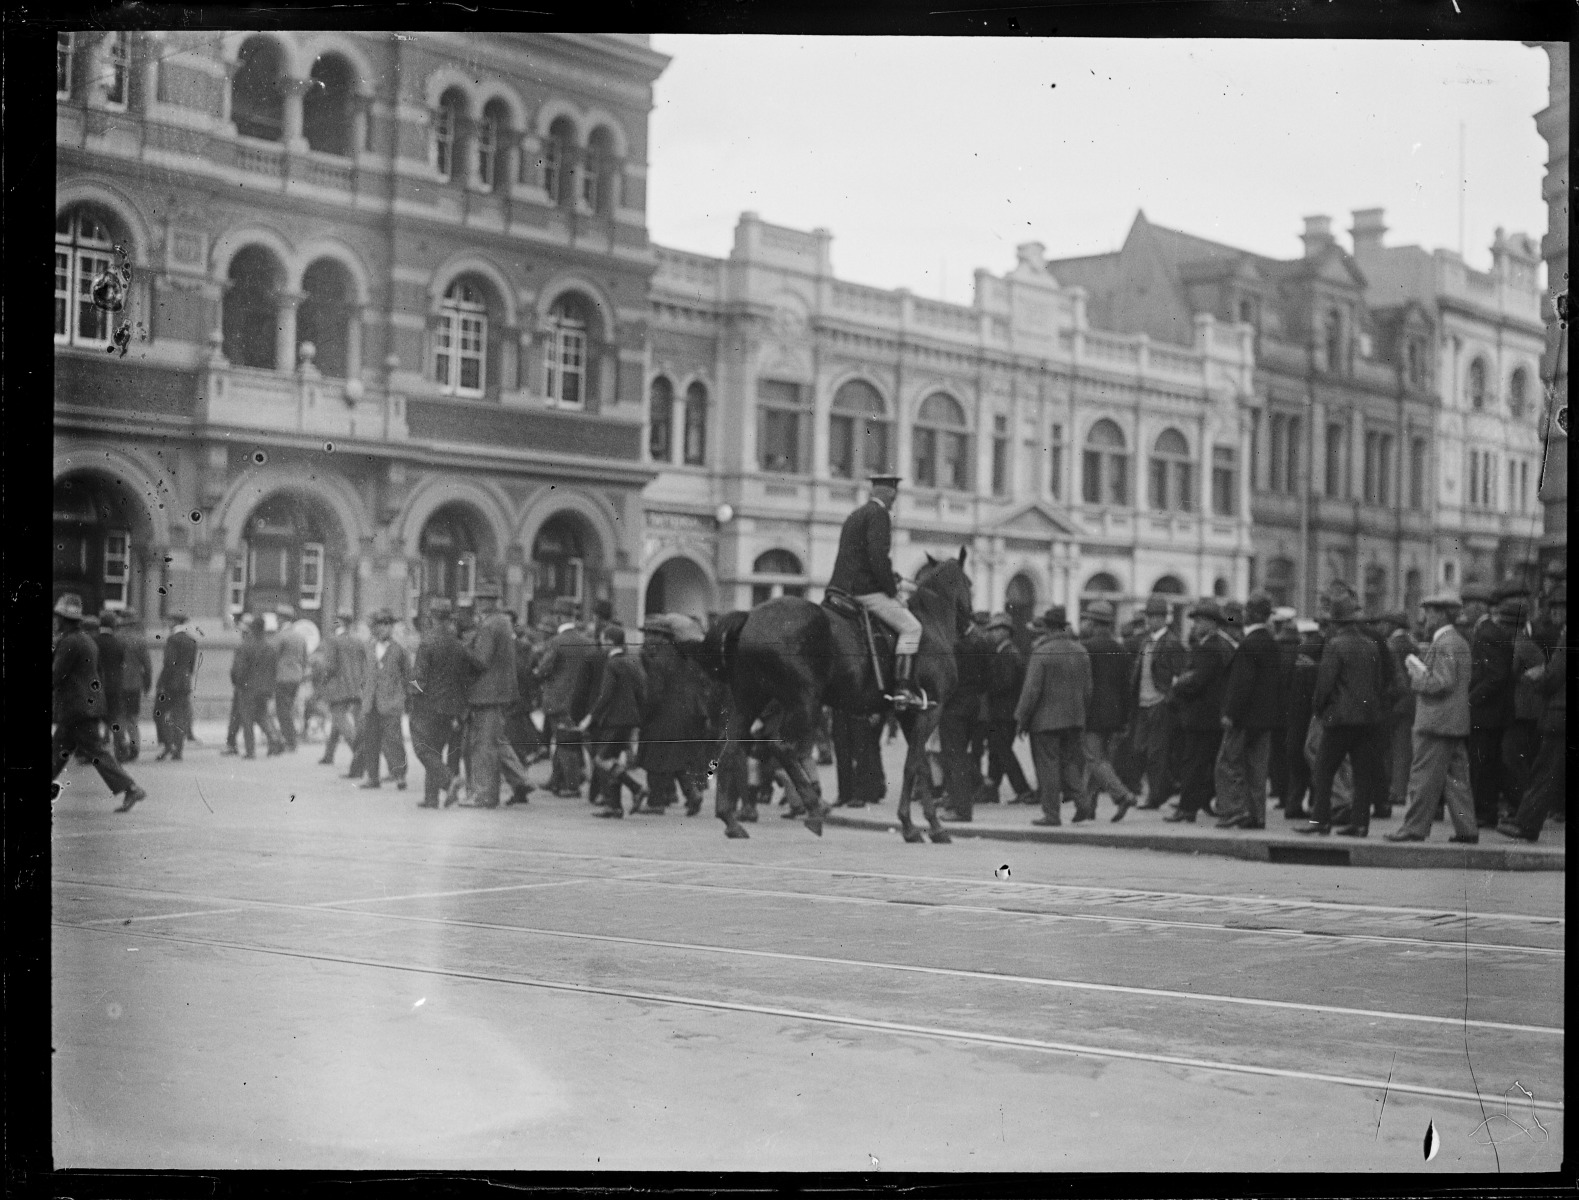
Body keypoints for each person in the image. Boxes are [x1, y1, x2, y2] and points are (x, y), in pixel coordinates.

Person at [1385, 594, 1479, 843]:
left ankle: (1414, 828)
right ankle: (1467, 829)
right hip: (1453, 722)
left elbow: (1442, 682)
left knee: (1423, 778)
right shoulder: (1457, 641)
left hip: (1436, 723)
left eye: (1428, 612)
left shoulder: (1445, 643)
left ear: (1440, 614)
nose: (1425, 618)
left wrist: (1417, 678)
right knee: (1457, 781)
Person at [827, 474, 926, 710]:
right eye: (895, 495)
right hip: (864, 591)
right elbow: (877, 558)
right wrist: (892, 590)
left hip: (840, 587)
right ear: (889, 493)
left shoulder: (856, 514)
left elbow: (860, 558)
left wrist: (891, 577)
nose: (895, 501)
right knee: (913, 628)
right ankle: (903, 688)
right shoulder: (879, 515)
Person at [1297, 595, 1387, 836]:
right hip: (1367, 718)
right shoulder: (1371, 645)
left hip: (1339, 718)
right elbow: (1379, 683)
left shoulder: (1335, 645)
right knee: (1361, 773)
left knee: (1324, 769)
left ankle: (1320, 821)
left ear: (1336, 623)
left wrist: (1319, 710)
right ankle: (1359, 824)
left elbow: (1325, 684)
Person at [52, 594, 147, 812]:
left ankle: (131, 788)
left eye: (58, 617)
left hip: (76, 709)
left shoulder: (69, 642)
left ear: (65, 620)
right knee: (58, 752)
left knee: (94, 752)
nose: (55, 621)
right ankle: (130, 788)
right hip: (85, 707)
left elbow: (57, 675)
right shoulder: (86, 640)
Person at [1014, 605, 1091, 828]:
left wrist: (1021, 719)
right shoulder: (1081, 651)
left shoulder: (1042, 652)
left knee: (1048, 767)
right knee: (1069, 763)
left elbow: (1031, 691)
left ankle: (1051, 814)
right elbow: (1088, 690)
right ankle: (1083, 803)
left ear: (1047, 627)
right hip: (1074, 718)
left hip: (1045, 722)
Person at [461, 581, 534, 808]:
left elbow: (482, 660)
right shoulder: (503, 622)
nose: (479, 603)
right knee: (497, 741)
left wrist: (463, 650)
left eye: (482, 599)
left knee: (484, 746)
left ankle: (485, 795)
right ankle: (520, 779)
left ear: (489, 602)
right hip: (501, 692)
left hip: (486, 694)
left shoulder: (490, 625)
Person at [1499, 596, 1565, 842]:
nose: (1555, 613)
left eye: (1561, 608)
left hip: (1560, 713)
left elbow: (1555, 675)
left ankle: (1526, 824)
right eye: (1555, 607)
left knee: (1544, 771)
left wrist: (1541, 676)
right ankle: (1525, 821)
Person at [1214, 591, 1280, 830]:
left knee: (1228, 762)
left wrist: (1230, 713)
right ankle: (1256, 815)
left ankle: (1233, 811)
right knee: (1257, 768)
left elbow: (1241, 684)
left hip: (1243, 718)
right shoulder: (1272, 643)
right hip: (1265, 719)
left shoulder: (1248, 645)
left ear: (1250, 614)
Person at [1164, 600, 1235, 823]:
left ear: (1211, 623)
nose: (1195, 625)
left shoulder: (1209, 647)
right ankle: (1201, 800)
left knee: (1193, 762)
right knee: (1209, 762)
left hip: (1201, 714)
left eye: (1199, 621)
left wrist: (1178, 683)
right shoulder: (1222, 644)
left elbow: (1197, 680)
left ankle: (1187, 808)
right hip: (1214, 714)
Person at [638, 615, 710, 816]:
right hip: (686, 714)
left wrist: (644, 714)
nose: (645, 639)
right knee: (675, 758)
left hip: (663, 715)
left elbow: (654, 693)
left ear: (659, 636)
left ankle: (656, 802)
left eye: (649, 634)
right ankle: (692, 794)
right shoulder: (681, 655)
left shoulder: (657, 659)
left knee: (655, 757)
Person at [1078, 600, 1138, 822]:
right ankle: (1087, 807)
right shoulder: (1121, 650)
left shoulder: (1086, 648)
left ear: (1093, 623)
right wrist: (1125, 719)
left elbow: (1084, 686)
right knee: (1098, 759)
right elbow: (1127, 687)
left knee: (1093, 759)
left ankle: (1122, 795)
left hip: (1092, 712)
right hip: (1115, 715)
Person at [409, 599, 472, 808]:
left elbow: (419, 679)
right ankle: (431, 798)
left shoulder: (427, 643)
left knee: (423, 749)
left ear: (430, 618)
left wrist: (411, 691)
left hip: (429, 707)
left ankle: (448, 781)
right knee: (436, 750)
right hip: (453, 707)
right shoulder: (458, 644)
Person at [581, 624, 648, 817]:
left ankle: (636, 788)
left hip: (615, 720)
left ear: (610, 642)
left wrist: (590, 717)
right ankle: (614, 806)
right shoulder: (631, 661)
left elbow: (606, 695)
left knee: (601, 759)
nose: (601, 644)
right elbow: (641, 691)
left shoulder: (612, 664)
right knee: (612, 760)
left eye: (603, 640)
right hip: (629, 719)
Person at [1462, 581, 1513, 829]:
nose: (1464, 611)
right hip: (1493, 713)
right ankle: (1486, 810)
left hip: (1486, 713)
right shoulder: (1489, 631)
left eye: (1467, 606)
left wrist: (1470, 699)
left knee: (1482, 764)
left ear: (1477, 607)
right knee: (1487, 763)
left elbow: (1495, 675)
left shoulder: (1485, 633)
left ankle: (1485, 812)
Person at [537, 599, 599, 797]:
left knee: (564, 742)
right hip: (582, 701)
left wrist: (538, 672)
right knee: (570, 738)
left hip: (558, 700)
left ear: (558, 617)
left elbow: (544, 670)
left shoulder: (556, 642)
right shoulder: (588, 642)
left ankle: (571, 785)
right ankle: (556, 779)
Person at [1130, 595, 1186, 808]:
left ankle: (1154, 796)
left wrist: (1167, 698)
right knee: (1139, 749)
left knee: (1156, 753)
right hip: (1143, 704)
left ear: (1165, 619)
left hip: (1159, 703)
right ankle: (1167, 787)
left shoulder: (1172, 643)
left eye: (1156, 617)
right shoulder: (1146, 641)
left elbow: (1180, 676)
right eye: (1149, 616)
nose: (1151, 621)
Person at [938, 613, 994, 821]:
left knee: (954, 757)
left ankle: (961, 809)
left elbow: (945, 679)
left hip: (953, 707)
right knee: (960, 755)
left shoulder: (952, 649)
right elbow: (988, 679)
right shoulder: (980, 645)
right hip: (973, 705)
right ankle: (959, 800)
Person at [1498, 594, 1545, 824]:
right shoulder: (1524, 644)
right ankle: (1522, 808)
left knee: (1513, 760)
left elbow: (1515, 674)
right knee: (1516, 760)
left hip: (1522, 714)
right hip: (1524, 713)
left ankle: (1525, 809)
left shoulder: (1520, 645)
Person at [981, 613, 1035, 805]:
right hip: (1005, 712)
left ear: (1006, 632)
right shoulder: (1007, 651)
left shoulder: (1008, 654)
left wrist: (986, 684)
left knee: (1002, 751)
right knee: (997, 751)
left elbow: (1005, 683)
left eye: (995, 630)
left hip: (1003, 712)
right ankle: (990, 788)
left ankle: (1023, 789)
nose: (992, 634)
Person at [357, 610, 410, 789]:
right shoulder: (368, 648)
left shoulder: (399, 651)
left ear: (391, 628)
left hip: (391, 703)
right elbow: (363, 673)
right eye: (378, 626)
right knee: (370, 740)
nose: (382, 629)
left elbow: (409, 677)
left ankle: (399, 775)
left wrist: (413, 695)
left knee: (394, 740)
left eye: (386, 625)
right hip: (370, 702)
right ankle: (373, 777)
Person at [1376, 612, 1419, 819]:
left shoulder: (1393, 645)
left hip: (1398, 703)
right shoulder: (1411, 642)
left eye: (1384, 622)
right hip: (1411, 702)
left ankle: (1397, 791)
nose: (1381, 626)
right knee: (1403, 748)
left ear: (1393, 624)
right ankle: (1399, 789)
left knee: (1397, 748)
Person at [1282, 620, 1323, 820]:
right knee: (1313, 762)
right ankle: (1315, 805)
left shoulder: (1295, 667)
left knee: (1296, 765)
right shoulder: (1314, 671)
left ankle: (1293, 804)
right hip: (1310, 719)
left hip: (1293, 719)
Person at [318, 609, 367, 771]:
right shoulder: (359, 641)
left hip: (339, 687)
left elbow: (330, 667)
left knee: (340, 720)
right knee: (337, 722)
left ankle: (360, 755)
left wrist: (323, 682)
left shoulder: (333, 640)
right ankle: (328, 755)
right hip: (356, 687)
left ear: (339, 621)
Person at [231, 615, 284, 758]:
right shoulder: (270, 647)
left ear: (252, 628)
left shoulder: (245, 646)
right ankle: (274, 740)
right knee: (262, 715)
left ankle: (250, 751)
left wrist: (238, 683)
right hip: (265, 689)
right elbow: (274, 669)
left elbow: (238, 670)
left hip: (248, 688)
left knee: (247, 719)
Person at [1266, 606, 1300, 810]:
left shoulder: (1277, 649)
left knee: (1278, 754)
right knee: (1291, 755)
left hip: (1278, 711)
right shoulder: (1300, 647)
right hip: (1294, 711)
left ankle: (1282, 793)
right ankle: (1289, 794)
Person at [153, 612, 198, 761]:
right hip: (184, 683)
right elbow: (191, 666)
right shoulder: (191, 641)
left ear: (174, 622)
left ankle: (167, 744)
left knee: (159, 713)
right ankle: (178, 749)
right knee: (179, 716)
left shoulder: (173, 639)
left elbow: (169, 664)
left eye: (169, 621)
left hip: (170, 683)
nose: (168, 623)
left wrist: (161, 683)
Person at [113, 608, 153, 762]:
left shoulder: (115, 638)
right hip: (135, 685)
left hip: (118, 684)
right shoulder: (140, 640)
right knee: (132, 718)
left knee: (119, 717)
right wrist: (147, 685)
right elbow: (147, 666)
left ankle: (120, 749)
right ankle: (135, 748)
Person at [272, 605, 308, 752]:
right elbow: (305, 659)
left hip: (282, 678)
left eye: (277, 618)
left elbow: (273, 657)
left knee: (283, 711)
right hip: (296, 677)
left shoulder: (280, 636)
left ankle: (290, 741)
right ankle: (290, 739)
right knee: (289, 709)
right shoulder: (300, 637)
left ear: (282, 619)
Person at [95, 611, 125, 751]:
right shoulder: (118, 642)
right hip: (114, 686)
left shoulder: (94, 641)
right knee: (114, 717)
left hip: (97, 685)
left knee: (93, 719)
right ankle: (120, 747)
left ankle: (91, 749)